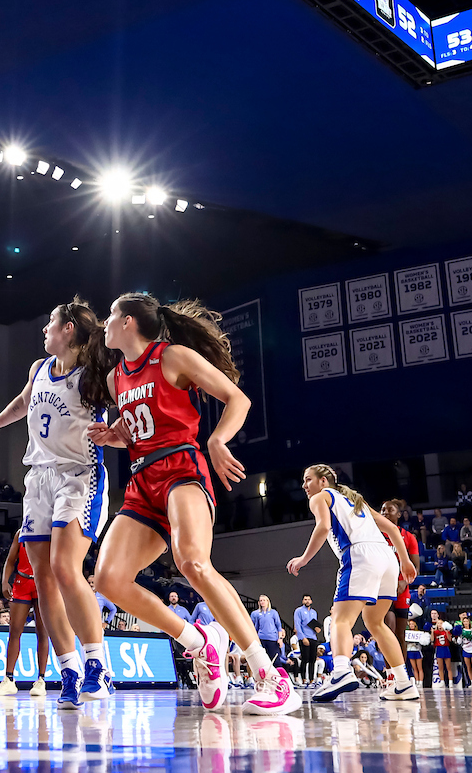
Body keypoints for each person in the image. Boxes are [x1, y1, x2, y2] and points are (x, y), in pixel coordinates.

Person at [88, 294, 301, 715]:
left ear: (129, 322)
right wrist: (118, 436)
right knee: (108, 580)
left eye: (110, 316)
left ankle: (272, 676)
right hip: (141, 481)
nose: (104, 324)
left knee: (192, 563)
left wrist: (218, 439)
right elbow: (139, 427)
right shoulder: (116, 378)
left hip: (181, 470)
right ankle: (199, 642)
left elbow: (237, 399)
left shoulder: (172, 356)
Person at [0, 299, 115, 709]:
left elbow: (128, 406)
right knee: (43, 579)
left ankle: (98, 665)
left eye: (50, 323)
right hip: (38, 478)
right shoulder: (38, 370)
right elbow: (24, 403)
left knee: (62, 566)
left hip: (79, 476)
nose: (44, 331)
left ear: (68, 329)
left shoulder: (94, 375)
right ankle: (69, 669)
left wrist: (120, 434)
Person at [287, 464, 419, 702]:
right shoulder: (356, 501)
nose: (304, 485)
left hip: (360, 555)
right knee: (376, 623)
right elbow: (391, 528)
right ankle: (403, 683)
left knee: (340, 620)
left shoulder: (320, 498)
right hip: (387, 557)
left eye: (308, 479)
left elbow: (324, 526)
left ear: (324, 481)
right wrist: (405, 561)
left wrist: (303, 559)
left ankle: (340, 672)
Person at [0, 529, 50, 697]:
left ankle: (41, 680)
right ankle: (8, 679)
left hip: (43, 582)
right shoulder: (21, 532)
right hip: (21, 581)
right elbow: (10, 561)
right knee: (14, 631)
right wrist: (4, 581)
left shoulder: (52, 530)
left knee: (42, 632)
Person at [380, 499, 421, 661]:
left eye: (389, 510)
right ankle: (390, 673)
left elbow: (416, 567)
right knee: (388, 629)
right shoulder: (375, 535)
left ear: (398, 514)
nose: (384, 512)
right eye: (382, 510)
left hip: (402, 589)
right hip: (383, 588)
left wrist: (405, 581)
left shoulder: (408, 537)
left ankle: (402, 674)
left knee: (400, 635)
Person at [293, 594, 319, 687]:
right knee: (305, 658)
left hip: (313, 637)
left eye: (308, 599)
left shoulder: (314, 612)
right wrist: (302, 637)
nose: (307, 601)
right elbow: (297, 625)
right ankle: (304, 679)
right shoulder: (298, 611)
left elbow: (314, 624)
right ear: (303, 601)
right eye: (305, 599)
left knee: (313, 659)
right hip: (304, 637)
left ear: (311, 601)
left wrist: (317, 629)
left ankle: (312, 679)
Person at [250, 595, 282, 668]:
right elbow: (256, 627)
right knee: (262, 659)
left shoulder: (273, 613)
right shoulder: (257, 613)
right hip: (262, 638)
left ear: (268, 601)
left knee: (275, 659)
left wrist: (280, 638)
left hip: (272, 638)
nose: (262, 602)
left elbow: (278, 626)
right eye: (261, 600)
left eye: (264, 600)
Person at [405, 618, 427, 683]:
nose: (411, 625)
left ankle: (421, 681)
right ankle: (416, 681)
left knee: (419, 667)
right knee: (414, 667)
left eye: (412, 624)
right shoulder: (407, 633)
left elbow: (423, 641)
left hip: (417, 650)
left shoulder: (419, 633)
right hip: (410, 650)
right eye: (410, 624)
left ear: (415, 625)